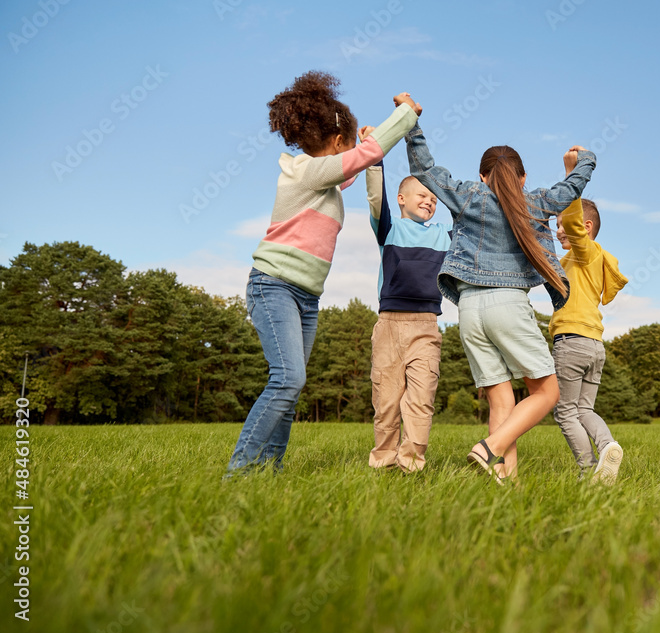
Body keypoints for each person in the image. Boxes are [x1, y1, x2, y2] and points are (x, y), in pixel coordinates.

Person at [225, 72, 420, 476]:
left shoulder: (324, 184)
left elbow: (355, 167)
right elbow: (357, 159)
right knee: (287, 380)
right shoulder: (303, 171)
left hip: (306, 297)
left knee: (290, 388)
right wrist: (403, 115)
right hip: (273, 286)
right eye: (346, 148)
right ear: (335, 145)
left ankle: (269, 473)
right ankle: (238, 473)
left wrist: (370, 146)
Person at [406, 118, 595, 483]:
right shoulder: (536, 201)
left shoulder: (467, 196)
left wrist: (412, 125)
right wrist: (584, 159)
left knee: (501, 400)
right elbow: (572, 188)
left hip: (469, 310)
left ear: (482, 176)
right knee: (548, 391)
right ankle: (490, 447)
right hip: (507, 305)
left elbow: (425, 169)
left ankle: (507, 485)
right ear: (521, 178)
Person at [362, 139, 451, 472]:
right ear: (402, 199)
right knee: (386, 400)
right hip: (389, 325)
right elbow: (376, 200)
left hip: (426, 325)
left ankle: (411, 462)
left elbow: (470, 221)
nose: (429, 201)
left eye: (433, 198)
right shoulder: (389, 228)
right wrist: (375, 158)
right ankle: (383, 460)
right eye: (422, 195)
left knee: (421, 398)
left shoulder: (444, 234)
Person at [550, 190, 629, 484]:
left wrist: (573, 180)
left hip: (572, 342)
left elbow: (573, 225)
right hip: (594, 345)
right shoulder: (579, 258)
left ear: (586, 228)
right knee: (584, 409)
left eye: (563, 224)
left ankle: (587, 469)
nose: (559, 230)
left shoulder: (586, 252)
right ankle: (608, 445)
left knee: (566, 413)